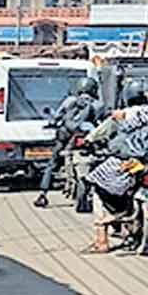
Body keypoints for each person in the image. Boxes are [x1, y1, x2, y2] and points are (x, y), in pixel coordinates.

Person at [83, 73, 148, 253]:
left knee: (96, 182)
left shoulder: (147, 111)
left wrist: (118, 117)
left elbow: (124, 125)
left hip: (134, 160)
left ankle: (101, 239)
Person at [35, 77, 104, 208]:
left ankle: (43, 194)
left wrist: (52, 123)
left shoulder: (69, 101)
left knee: (52, 164)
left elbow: (57, 117)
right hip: (88, 138)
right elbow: (103, 123)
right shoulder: (98, 105)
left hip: (66, 137)